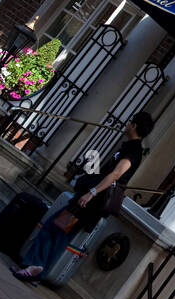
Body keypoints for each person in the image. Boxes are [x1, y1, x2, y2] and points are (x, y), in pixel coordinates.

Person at [12, 111, 154, 283]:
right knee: (60, 232)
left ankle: (35, 267)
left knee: (55, 228)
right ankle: (36, 271)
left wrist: (92, 192)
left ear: (134, 126)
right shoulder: (130, 147)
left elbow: (117, 174)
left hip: (92, 201)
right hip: (91, 199)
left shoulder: (134, 150)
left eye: (130, 121)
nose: (127, 124)